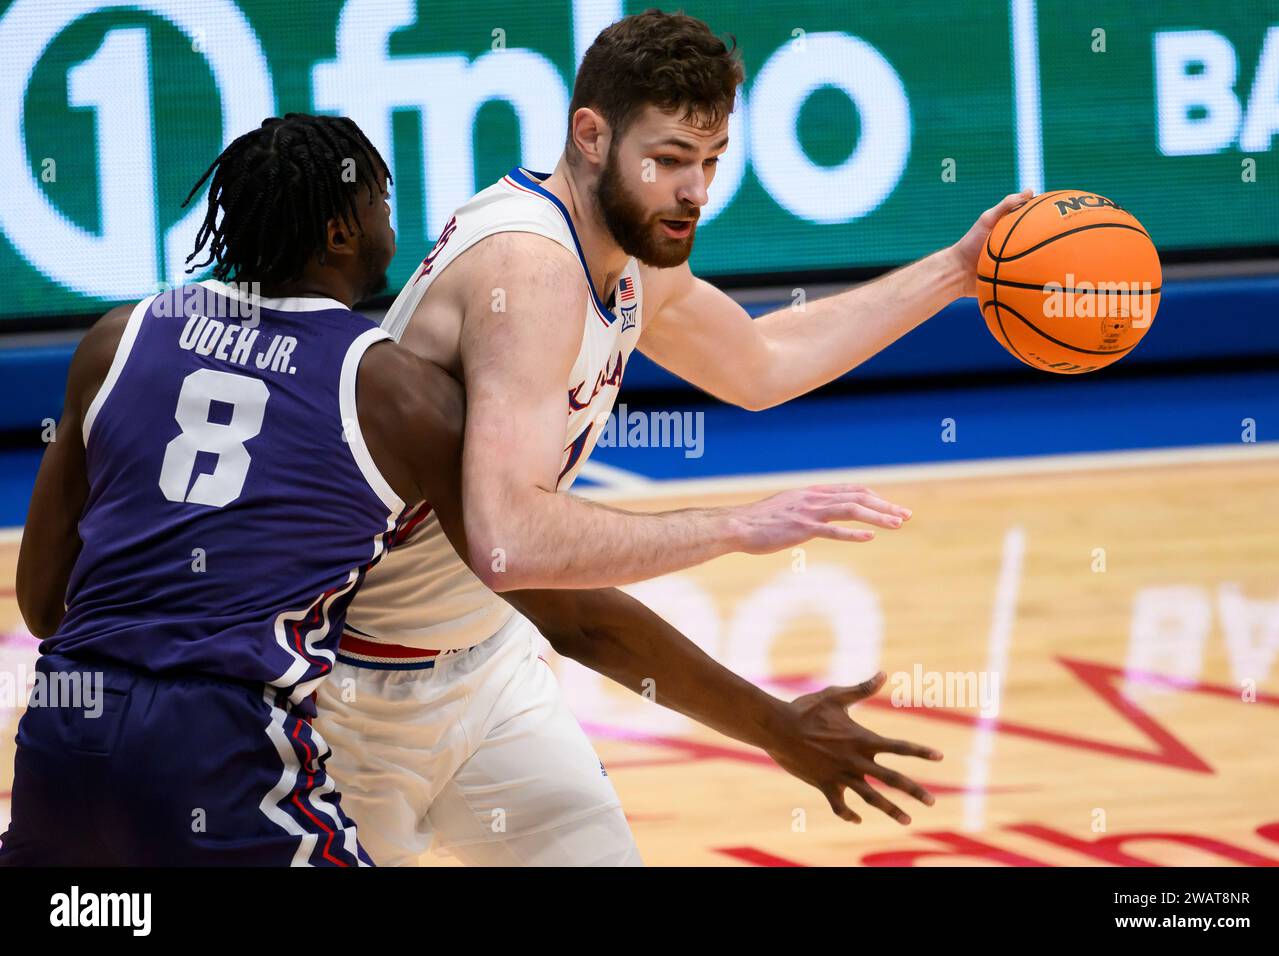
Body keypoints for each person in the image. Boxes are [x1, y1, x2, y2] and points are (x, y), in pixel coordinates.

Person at [0, 112, 939, 865]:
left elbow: (43, 602)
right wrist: (772, 720)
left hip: (63, 735)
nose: (392, 227)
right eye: (379, 203)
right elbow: (574, 614)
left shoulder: (115, 340)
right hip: (244, 745)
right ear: (339, 229)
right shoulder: (389, 387)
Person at [321, 9, 1022, 866]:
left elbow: (762, 361)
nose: (695, 191)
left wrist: (955, 272)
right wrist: (734, 526)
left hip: (489, 670)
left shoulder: (632, 253)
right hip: (354, 696)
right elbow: (510, 543)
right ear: (590, 135)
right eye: (669, 161)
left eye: (712, 161)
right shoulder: (530, 270)